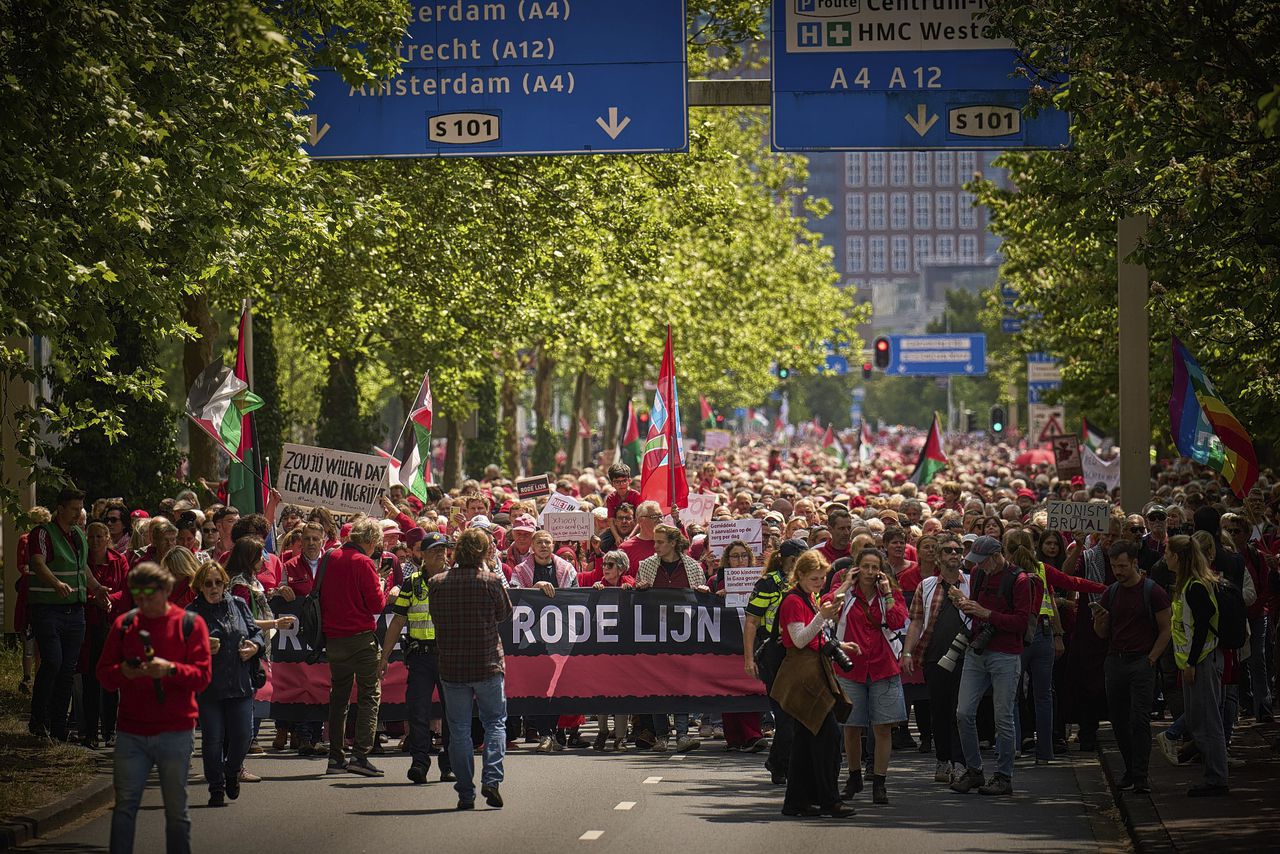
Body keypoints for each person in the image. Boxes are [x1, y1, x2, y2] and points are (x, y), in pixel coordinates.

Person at [96, 561, 211, 854]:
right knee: (125, 806)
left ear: (166, 590)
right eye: (137, 595)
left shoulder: (190, 624)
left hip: (176, 731)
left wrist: (170, 669)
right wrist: (124, 672)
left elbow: (202, 677)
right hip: (131, 732)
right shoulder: (125, 625)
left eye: (150, 594)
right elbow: (104, 675)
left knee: (176, 810)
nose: (144, 602)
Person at [428, 528, 514, 810]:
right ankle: (492, 779)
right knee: (495, 723)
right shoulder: (490, 581)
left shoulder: (437, 583)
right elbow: (505, 613)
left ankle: (466, 793)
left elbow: (435, 617)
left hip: (453, 666)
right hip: (487, 663)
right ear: (483, 552)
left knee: (460, 730)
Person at [771, 551, 858, 818]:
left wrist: (839, 644)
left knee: (807, 742)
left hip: (813, 669)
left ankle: (797, 801)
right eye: (814, 578)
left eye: (822, 578)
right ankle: (829, 800)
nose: (819, 583)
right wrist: (821, 616)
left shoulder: (808, 596)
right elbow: (799, 640)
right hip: (804, 674)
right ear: (799, 575)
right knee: (826, 737)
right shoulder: (793, 600)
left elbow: (814, 634)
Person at [950, 534, 1033, 796]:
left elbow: (1021, 623)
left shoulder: (1019, 580)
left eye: (983, 561)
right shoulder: (978, 574)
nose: (978, 565)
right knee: (964, 713)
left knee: (1003, 718)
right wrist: (965, 605)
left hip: (1006, 654)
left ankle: (1004, 776)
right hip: (978, 649)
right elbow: (976, 611)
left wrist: (986, 614)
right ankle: (974, 770)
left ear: (997, 556)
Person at [27, 487, 110, 740]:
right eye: (74, 509)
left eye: (80, 509)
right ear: (60, 508)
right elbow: (37, 562)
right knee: (52, 662)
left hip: (75, 611)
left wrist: (96, 588)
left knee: (67, 671)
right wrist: (56, 584)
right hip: (48, 609)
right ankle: (39, 720)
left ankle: (59, 727)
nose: (78, 514)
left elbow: (81, 567)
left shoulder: (77, 535)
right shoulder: (42, 533)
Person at [1092, 540, 1172, 794]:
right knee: (1119, 719)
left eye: (1123, 566)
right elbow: (1102, 633)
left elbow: (1166, 629)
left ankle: (1140, 774)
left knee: (1139, 718)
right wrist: (1100, 621)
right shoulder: (1112, 592)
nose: (1118, 571)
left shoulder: (1153, 591)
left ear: (1135, 563)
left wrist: (1152, 658)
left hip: (1141, 661)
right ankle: (1130, 768)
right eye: (1114, 566)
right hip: (1116, 660)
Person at [829, 547, 907, 805]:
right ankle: (854, 777)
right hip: (852, 669)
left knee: (883, 727)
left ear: (881, 571)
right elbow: (826, 606)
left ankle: (879, 781)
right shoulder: (847, 593)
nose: (870, 572)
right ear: (857, 568)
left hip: (883, 667)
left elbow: (897, 621)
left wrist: (887, 594)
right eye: (865, 567)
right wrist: (845, 585)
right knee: (852, 727)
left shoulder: (890, 592)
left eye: (875, 567)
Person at [187, 561, 266, 807]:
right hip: (209, 689)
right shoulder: (191, 613)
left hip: (239, 684)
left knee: (243, 736)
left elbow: (256, 633)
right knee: (213, 740)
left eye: (218, 582)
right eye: (208, 583)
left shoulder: (239, 604)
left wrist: (255, 646)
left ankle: (232, 771)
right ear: (199, 586)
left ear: (224, 583)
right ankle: (216, 788)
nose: (214, 588)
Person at [380, 531, 455, 784]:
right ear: (422, 554)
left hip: (449, 656)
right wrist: (384, 657)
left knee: (453, 713)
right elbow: (397, 620)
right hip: (420, 657)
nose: (441, 553)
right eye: (435, 550)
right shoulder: (411, 582)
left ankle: (449, 764)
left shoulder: (454, 579)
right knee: (418, 712)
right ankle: (419, 763)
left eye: (443, 549)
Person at [319, 516, 387, 777]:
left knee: (339, 697)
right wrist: (381, 585)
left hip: (334, 639)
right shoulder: (363, 562)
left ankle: (336, 758)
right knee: (369, 695)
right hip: (359, 638)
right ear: (371, 540)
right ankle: (359, 755)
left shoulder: (331, 557)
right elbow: (377, 605)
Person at [903, 532, 971, 784]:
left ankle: (960, 763)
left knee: (960, 711)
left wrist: (964, 601)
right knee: (940, 711)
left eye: (957, 550)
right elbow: (916, 621)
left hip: (967, 657)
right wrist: (907, 652)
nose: (954, 554)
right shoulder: (927, 585)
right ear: (939, 557)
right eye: (948, 550)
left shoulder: (971, 582)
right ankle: (943, 760)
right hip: (934, 657)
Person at [634, 524, 709, 753]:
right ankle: (662, 736)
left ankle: (683, 735)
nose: (655, 546)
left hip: (683, 636)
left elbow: (700, 600)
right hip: (654, 635)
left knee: (681, 685)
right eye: (654, 542)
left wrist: (703, 592)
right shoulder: (646, 566)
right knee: (657, 685)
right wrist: (639, 589)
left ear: (673, 543)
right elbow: (636, 599)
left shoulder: (693, 567)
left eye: (660, 542)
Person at [1166, 533, 1230, 796]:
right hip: (1197, 660)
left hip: (1202, 660)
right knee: (1197, 719)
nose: (1165, 558)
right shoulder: (1188, 585)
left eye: (1168, 554)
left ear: (1178, 557)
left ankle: (1216, 778)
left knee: (1208, 721)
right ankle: (1211, 772)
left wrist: (1191, 662)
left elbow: (1202, 627)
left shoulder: (1195, 587)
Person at [743, 538, 807, 784]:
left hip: (801, 654)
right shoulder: (768, 583)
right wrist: (749, 658)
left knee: (798, 715)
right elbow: (751, 621)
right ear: (784, 559)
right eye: (796, 559)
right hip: (774, 655)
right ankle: (784, 766)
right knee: (783, 715)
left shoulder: (807, 583)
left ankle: (777, 761)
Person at [82, 521, 132, 748]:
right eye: (91, 536)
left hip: (112, 626)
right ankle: (90, 732)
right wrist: (95, 600)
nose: (95, 541)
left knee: (111, 680)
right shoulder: (82, 560)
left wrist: (108, 599)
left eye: (100, 536)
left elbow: (126, 589)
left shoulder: (119, 560)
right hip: (89, 627)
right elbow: (79, 587)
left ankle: (110, 730)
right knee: (90, 679)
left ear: (107, 538)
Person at [619, 500, 663, 570]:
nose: (660, 520)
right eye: (654, 517)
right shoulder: (626, 548)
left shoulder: (670, 543)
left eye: (661, 516)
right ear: (640, 520)